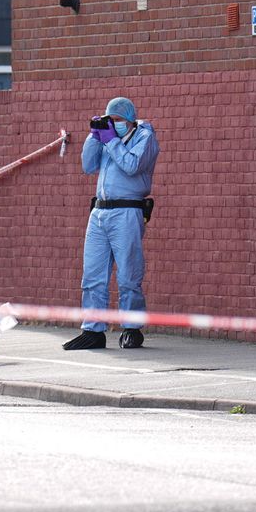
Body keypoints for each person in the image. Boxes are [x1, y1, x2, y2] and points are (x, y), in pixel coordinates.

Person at [63, 96, 160, 351]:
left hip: (127, 211)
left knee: (129, 274)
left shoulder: (144, 137)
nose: (113, 124)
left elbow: (132, 166)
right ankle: (93, 330)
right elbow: (87, 166)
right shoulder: (106, 138)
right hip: (99, 212)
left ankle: (131, 328)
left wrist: (111, 140)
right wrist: (94, 137)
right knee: (93, 274)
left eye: (117, 120)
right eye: (109, 120)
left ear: (129, 120)